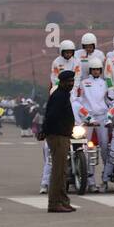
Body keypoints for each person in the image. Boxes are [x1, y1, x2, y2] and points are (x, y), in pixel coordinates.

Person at [73, 55, 111, 192]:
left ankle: (106, 178)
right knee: (87, 149)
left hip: (102, 117)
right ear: (90, 70)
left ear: (101, 70)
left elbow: (109, 100)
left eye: (98, 70)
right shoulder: (83, 83)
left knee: (105, 147)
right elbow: (78, 100)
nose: (96, 71)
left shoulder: (105, 83)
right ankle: (89, 180)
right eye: (93, 69)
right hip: (88, 119)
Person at [42, 70, 77, 212]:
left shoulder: (63, 95)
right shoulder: (59, 96)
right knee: (58, 171)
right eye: (68, 81)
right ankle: (54, 203)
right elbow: (51, 116)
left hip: (63, 135)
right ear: (61, 82)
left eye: (72, 81)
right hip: (58, 136)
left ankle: (63, 200)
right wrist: (44, 131)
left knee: (63, 171)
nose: (71, 84)